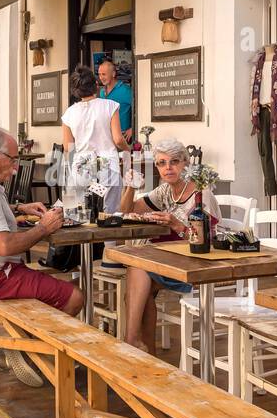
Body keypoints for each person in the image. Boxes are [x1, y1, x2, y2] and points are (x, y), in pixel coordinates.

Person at [0, 127, 80, 387]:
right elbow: (4, 247)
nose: (15, 167)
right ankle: (30, 349)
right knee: (75, 296)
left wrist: (19, 208)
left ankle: (29, 341)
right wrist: (43, 228)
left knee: (51, 285)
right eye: (12, 159)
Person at [117, 137, 220, 353]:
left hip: (197, 264)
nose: (168, 168)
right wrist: (130, 186)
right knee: (140, 279)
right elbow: (127, 210)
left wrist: (175, 224)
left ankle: (133, 343)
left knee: (138, 278)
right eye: (161, 163)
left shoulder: (201, 194)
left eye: (174, 162)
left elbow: (206, 242)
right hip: (167, 260)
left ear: (185, 164)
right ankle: (139, 347)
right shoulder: (164, 191)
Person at [61, 65, 128, 213]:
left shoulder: (69, 113)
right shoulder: (110, 106)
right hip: (108, 166)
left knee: (80, 215)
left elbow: (68, 147)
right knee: (109, 215)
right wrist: (128, 150)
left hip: (81, 167)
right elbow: (118, 139)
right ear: (96, 85)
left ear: (76, 91)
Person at [97, 58, 134, 145]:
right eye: (99, 74)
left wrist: (133, 128)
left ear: (113, 74)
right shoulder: (102, 92)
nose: (101, 78)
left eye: (104, 74)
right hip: (106, 139)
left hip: (122, 138)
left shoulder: (125, 90)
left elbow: (140, 109)